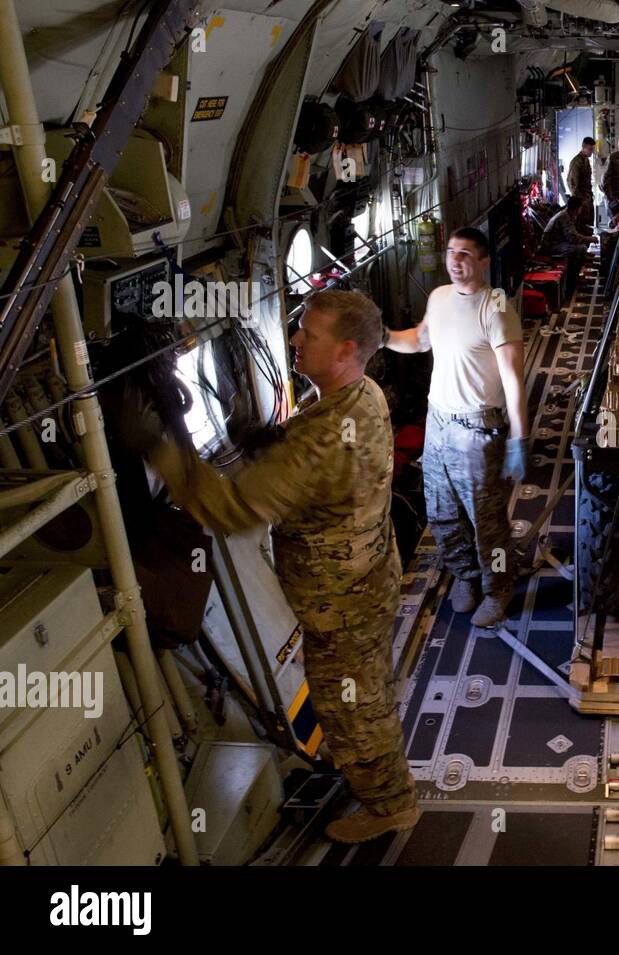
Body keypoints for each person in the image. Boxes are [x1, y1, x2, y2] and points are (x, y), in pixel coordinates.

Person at [137, 290, 418, 844]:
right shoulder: (366, 396)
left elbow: (233, 510)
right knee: (366, 689)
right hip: (369, 580)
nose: (293, 340)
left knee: (354, 702)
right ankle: (366, 762)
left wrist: (158, 449)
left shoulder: (318, 440)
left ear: (342, 350)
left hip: (338, 603)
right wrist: (270, 442)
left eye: (306, 335)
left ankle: (391, 804)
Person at [384, 228, 528, 628]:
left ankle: (498, 588)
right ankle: (465, 576)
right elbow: (418, 340)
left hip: (477, 430)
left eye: (465, 254)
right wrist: (382, 337)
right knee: (443, 512)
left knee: (487, 520)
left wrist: (519, 438)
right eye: (451, 252)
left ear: (484, 261)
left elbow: (513, 378)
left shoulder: (495, 307)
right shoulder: (439, 298)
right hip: (439, 423)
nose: (455, 260)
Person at [540, 196, 594, 288]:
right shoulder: (564, 217)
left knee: (580, 248)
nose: (581, 210)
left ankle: (574, 277)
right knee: (581, 249)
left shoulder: (568, 215)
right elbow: (573, 238)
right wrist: (589, 239)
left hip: (557, 244)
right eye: (580, 207)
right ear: (576, 208)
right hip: (551, 247)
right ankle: (573, 280)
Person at [566, 136, 596, 231]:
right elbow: (572, 183)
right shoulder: (576, 162)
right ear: (583, 146)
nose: (592, 152)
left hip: (587, 199)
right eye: (590, 149)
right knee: (581, 228)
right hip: (581, 202)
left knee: (588, 228)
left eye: (592, 149)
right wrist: (580, 204)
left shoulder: (586, 161)